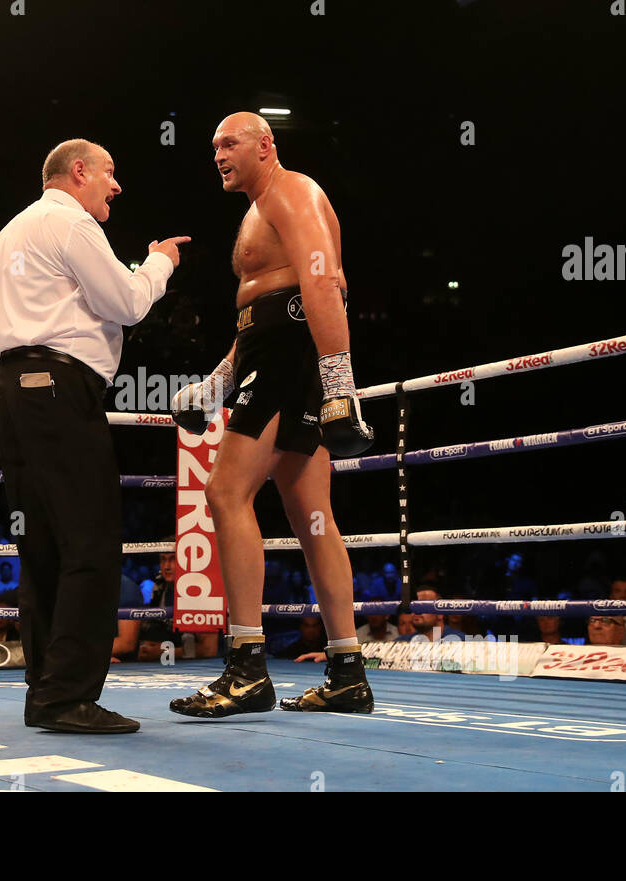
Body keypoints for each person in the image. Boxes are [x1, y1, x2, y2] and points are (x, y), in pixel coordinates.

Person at [170, 112, 374, 718]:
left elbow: (322, 282)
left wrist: (340, 385)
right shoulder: (261, 207)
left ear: (266, 145)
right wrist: (214, 385)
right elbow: (259, 313)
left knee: (225, 491)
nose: (217, 154)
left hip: (292, 354)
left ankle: (247, 667)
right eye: (212, 146)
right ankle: (347, 672)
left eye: (229, 143)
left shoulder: (293, 191)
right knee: (311, 513)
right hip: (275, 351)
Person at [0, 138, 189, 734]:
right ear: (79, 172)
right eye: (109, 172)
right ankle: (68, 697)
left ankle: (44, 692)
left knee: (44, 545)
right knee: (92, 543)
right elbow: (126, 302)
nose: (116, 185)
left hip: (14, 390)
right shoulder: (70, 223)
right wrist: (159, 263)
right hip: (59, 390)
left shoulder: (11, 231)